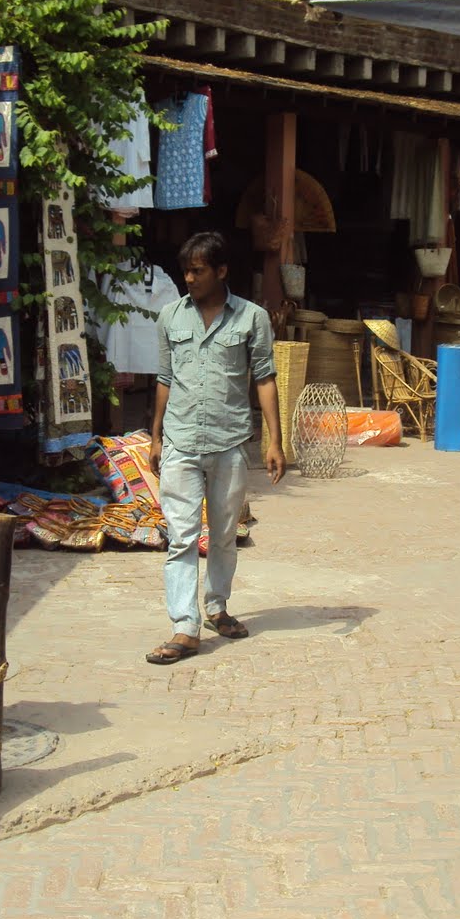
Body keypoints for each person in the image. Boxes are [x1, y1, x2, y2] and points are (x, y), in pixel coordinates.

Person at [146, 232, 285, 666]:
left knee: (224, 535)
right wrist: (155, 436)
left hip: (229, 443)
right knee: (181, 536)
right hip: (181, 442)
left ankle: (217, 607)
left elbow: (264, 378)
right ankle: (184, 627)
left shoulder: (253, 318)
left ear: (221, 271)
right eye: (185, 270)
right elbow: (164, 379)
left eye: (198, 271)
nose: (189, 279)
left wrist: (275, 441)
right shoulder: (170, 317)